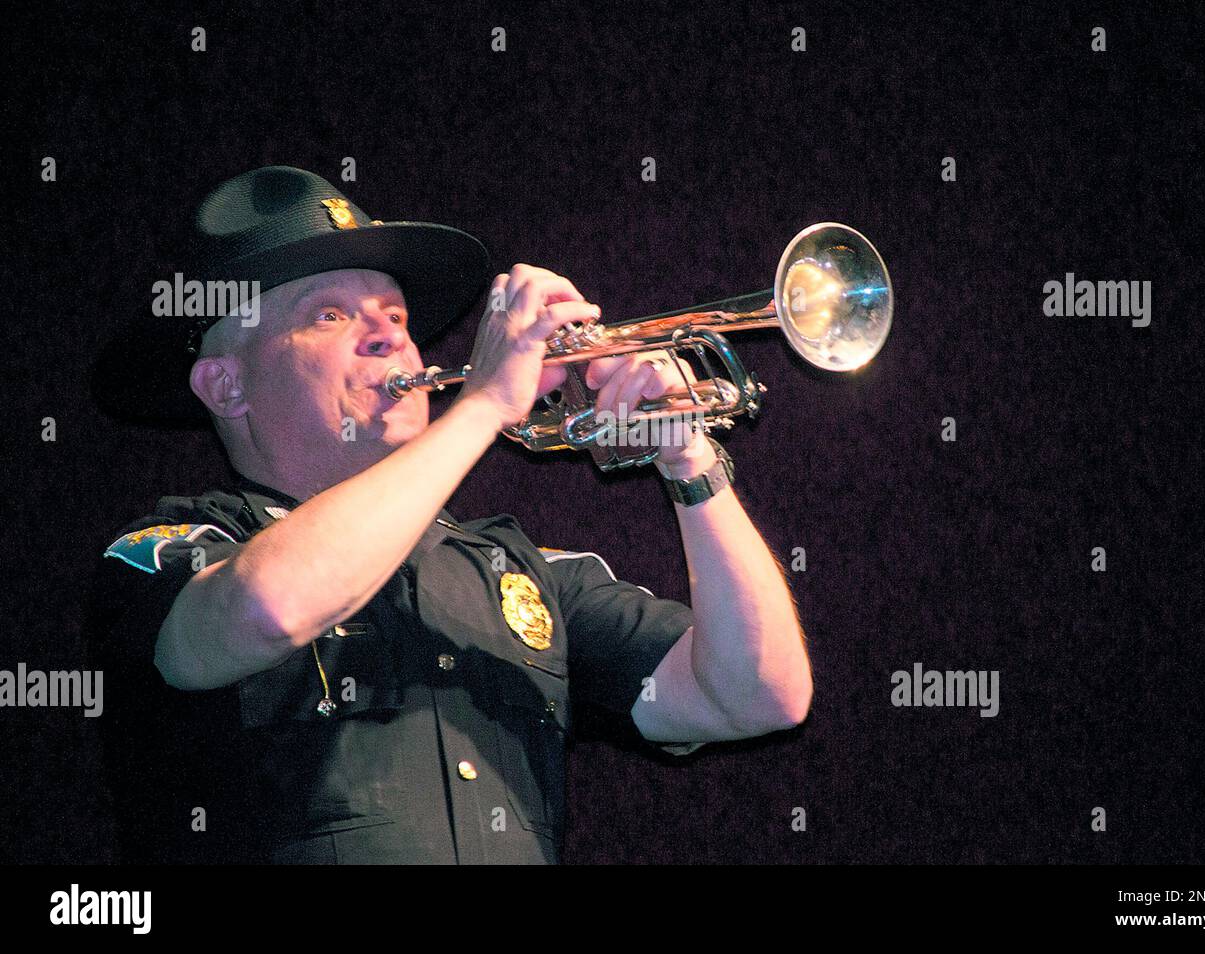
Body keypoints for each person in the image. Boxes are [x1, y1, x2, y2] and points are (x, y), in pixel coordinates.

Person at [86, 166, 811, 864]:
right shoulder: (167, 551)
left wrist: (691, 463)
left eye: (396, 317)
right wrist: (486, 405)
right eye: (330, 315)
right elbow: (269, 608)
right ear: (226, 383)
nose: (390, 337)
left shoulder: (528, 573)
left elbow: (758, 696)